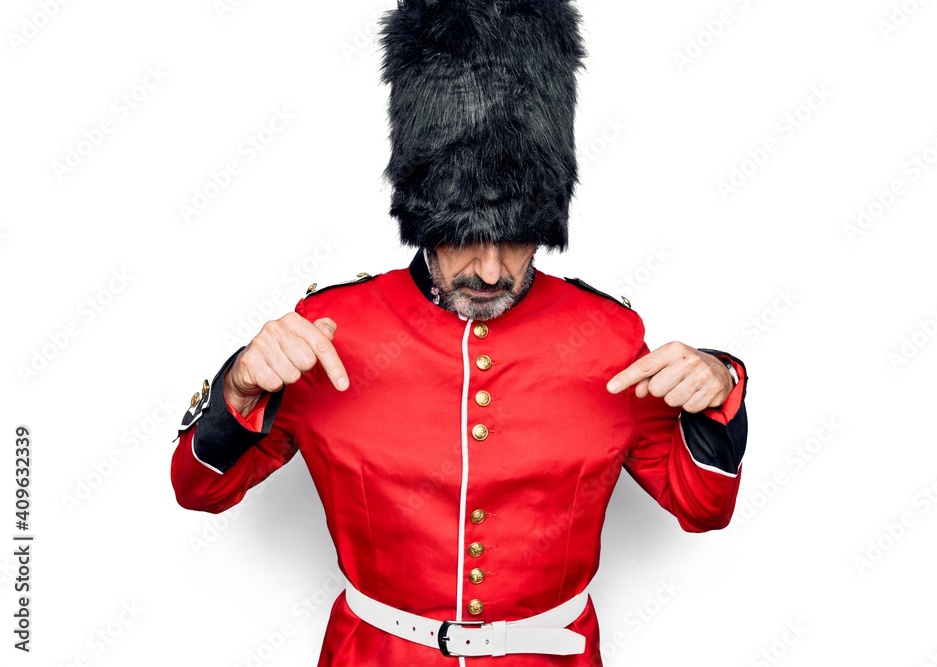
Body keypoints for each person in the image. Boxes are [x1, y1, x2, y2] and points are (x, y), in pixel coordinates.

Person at [170, 1, 749, 665]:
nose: (493, 269)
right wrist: (240, 383)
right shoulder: (332, 330)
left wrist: (719, 385)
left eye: (517, 237)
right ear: (423, 213)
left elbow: (704, 506)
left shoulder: (606, 337)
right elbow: (199, 488)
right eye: (467, 237)